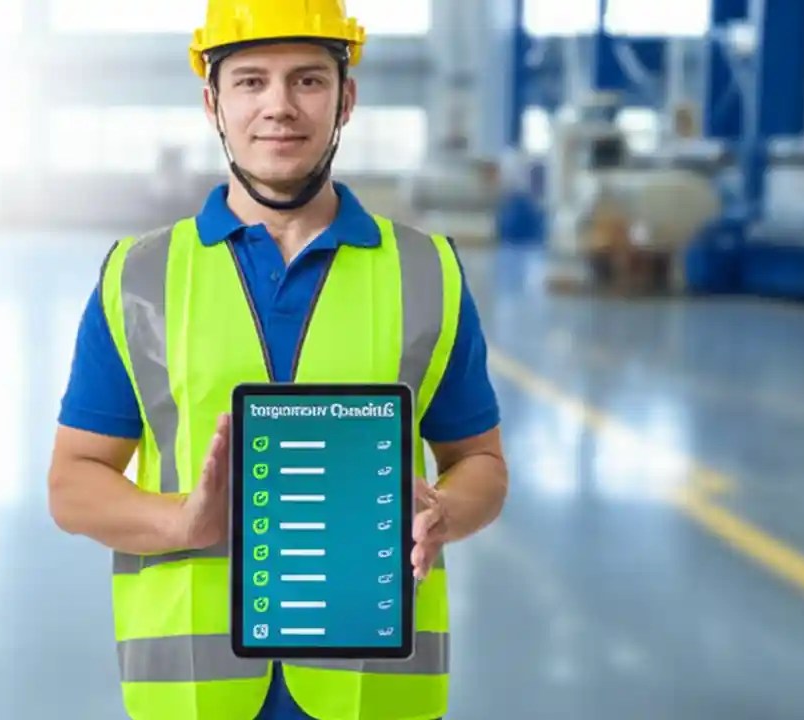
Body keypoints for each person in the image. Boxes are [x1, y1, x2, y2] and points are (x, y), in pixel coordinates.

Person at [46, 1, 509, 718]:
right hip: (196, 692)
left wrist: (445, 510)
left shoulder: (428, 271)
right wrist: (183, 523)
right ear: (214, 103)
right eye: (252, 80)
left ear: (346, 98)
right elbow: (73, 483)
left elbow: (481, 463)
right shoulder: (139, 277)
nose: (280, 107)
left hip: (372, 691)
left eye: (308, 81)